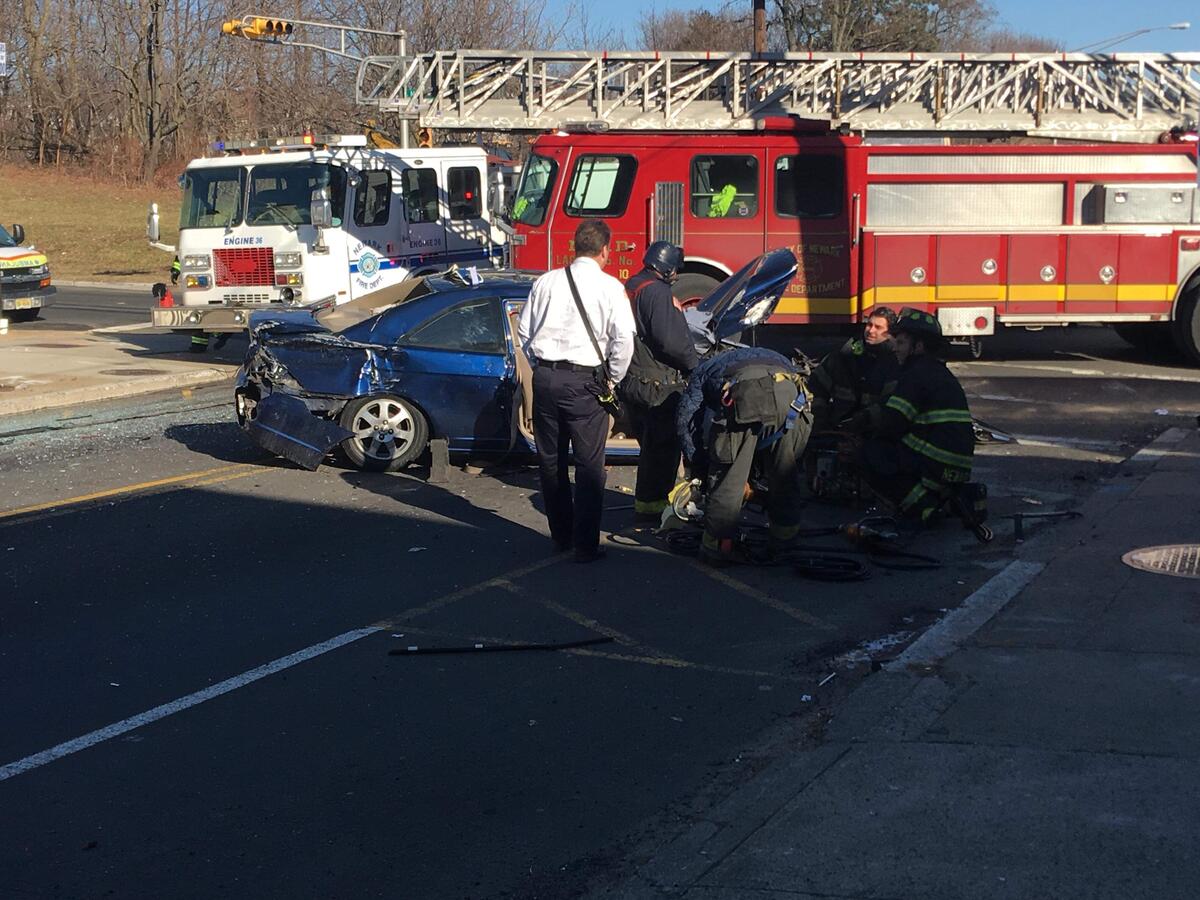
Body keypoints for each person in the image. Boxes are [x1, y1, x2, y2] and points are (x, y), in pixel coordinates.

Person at [517, 219, 636, 563]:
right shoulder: (611, 287)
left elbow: (524, 333)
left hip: (546, 377)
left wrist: (540, 367)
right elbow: (624, 340)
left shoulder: (545, 282)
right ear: (605, 251)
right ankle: (585, 545)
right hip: (586, 383)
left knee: (550, 462)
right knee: (589, 465)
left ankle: (561, 538)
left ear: (574, 248)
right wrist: (612, 378)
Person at [677, 347, 812, 565]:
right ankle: (784, 539)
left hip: (745, 395)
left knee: (727, 479)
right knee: (784, 471)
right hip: (790, 398)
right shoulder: (769, 354)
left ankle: (717, 546)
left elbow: (686, 420)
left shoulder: (701, 374)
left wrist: (698, 464)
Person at [857, 307, 974, 525]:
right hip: (955, 467)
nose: (896, 349)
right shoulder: (937, 371)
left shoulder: (915, 375)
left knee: (871, 452)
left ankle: (923, 508)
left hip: (936, 463)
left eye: (901, 343)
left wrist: (859, 429)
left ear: (918, 346)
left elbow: (892, 423)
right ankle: (934, 499)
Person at [622, 241, 699, 522]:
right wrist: (694, 366)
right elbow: (671, 342)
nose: (676, 275)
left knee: (650, 445)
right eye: (674, 270)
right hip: (658, 383)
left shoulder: (633, 286)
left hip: (634, 379)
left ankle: (650, 502)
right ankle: (653, 507)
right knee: (662, 448)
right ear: (665, 269)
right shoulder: (657, 292)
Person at [808, 306, 899, 433]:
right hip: (836, 428)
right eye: (869, 325)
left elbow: (893, 404)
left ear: (889, 334)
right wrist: (820, 411)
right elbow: (816, 383)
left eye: (878, 327)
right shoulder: (844, 356)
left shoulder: (895, 363)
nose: (871, 330)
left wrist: (866, 417)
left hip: (874, 433)